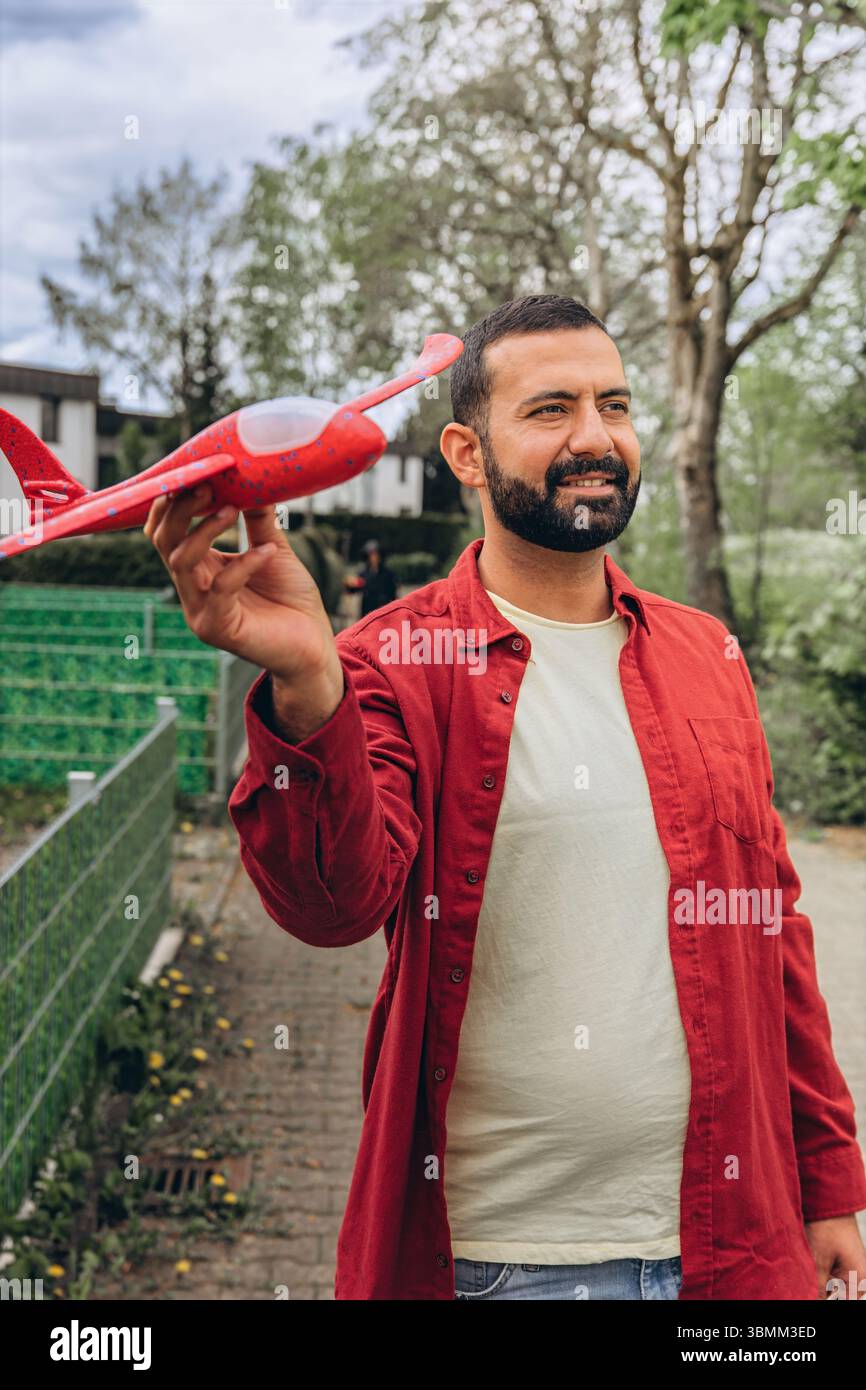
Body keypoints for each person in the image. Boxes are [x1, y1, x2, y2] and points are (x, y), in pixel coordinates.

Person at [143, 294, 866, 1302]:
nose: (595, 437)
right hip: (502, 1262)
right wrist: (307, 684)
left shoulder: (708, 654)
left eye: (614, 405)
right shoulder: (390, 661)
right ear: (466, 453)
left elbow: (772, 926)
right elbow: (331, 906)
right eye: (550, 409)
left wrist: (827, 1182)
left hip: (731, 1247)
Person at [345, 538, 397, 616]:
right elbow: (355, 589)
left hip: (382, 610)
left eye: (375, 554)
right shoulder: (363, 573)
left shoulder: (388, 574)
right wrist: (349, 585)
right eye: (371, 555)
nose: (373, 557)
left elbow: (392, 594)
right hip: (367, 611)